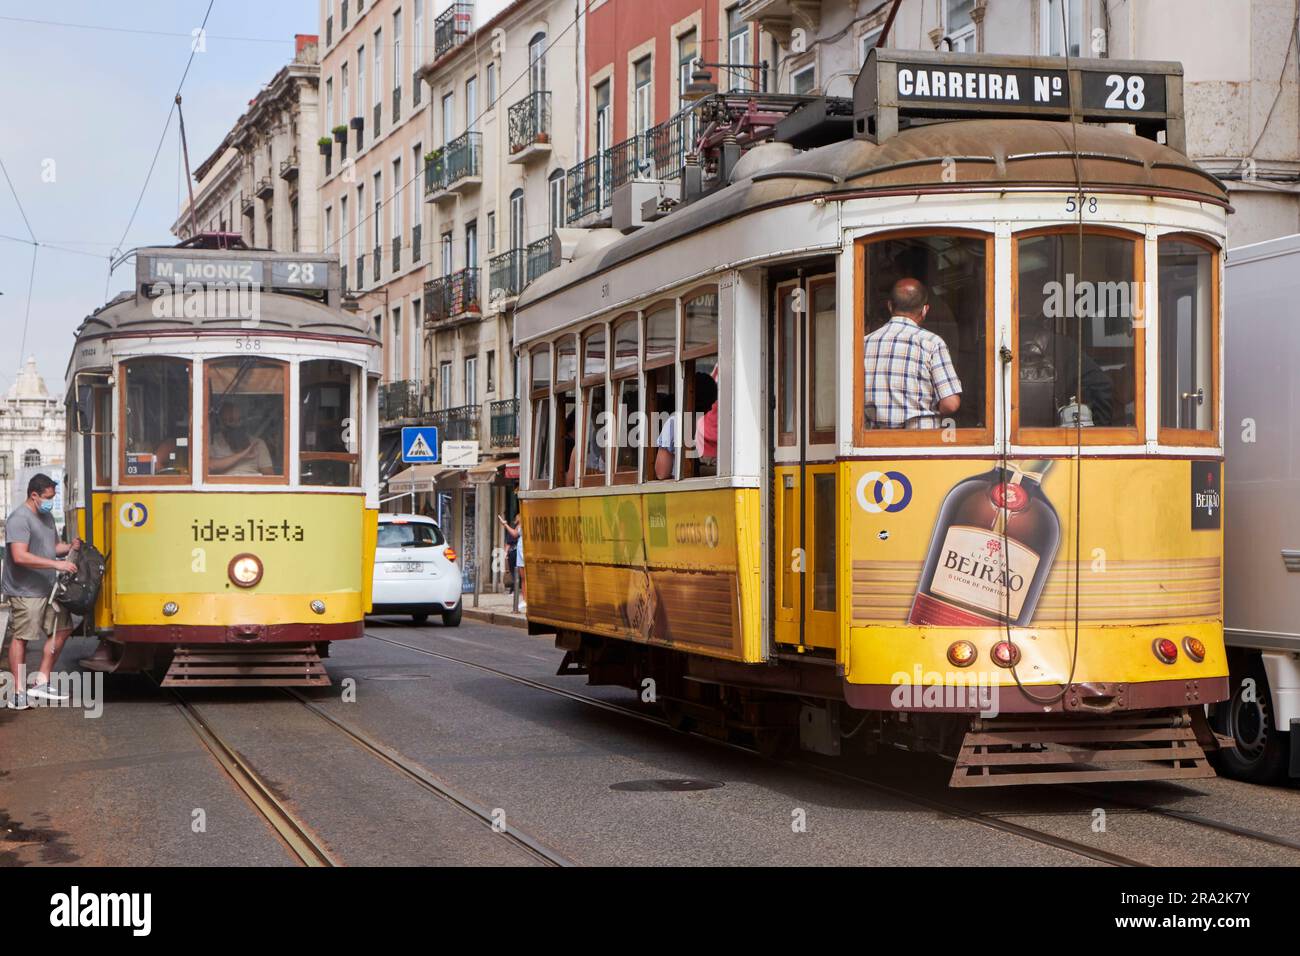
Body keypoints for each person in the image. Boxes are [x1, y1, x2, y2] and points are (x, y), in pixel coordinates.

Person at [2, 474, 79, 709]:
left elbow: (52, 547)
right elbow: (19, 556)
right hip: (25, 591)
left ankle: (42, 681)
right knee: (22, 637)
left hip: (48, 589)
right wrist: (57, 565)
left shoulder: (46, 517)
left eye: (53, 497)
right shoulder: (19, 519)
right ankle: (18, 692)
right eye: (48, 497)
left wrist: (69, 548)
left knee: (64, 628)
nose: (51, 501)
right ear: (34, 495)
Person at [863, 278, 962, 429]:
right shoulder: (932, 343)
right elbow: (950, 404)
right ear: (925, 310)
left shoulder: (863, 343)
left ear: (890, 306)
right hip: (919, 442)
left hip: (873, 443)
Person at [209, 403, 276, 475]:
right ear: (221, 423)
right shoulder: (212, 441)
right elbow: (210, 466)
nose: (236, 424)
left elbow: (269, 475)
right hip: (223, 484)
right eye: (231, 420)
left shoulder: (257, 443)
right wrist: (243, 454)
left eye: (239, 420)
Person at [497, 512, 520, 596]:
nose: (519, 517)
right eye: (518, 516)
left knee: (517, 572)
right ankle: (513, 590)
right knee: (513, 571)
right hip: (513, 552)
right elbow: (509, 542)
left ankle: (514, 590)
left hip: (518, 552)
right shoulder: (514, 527)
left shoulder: (519, 528)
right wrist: (505, 554)